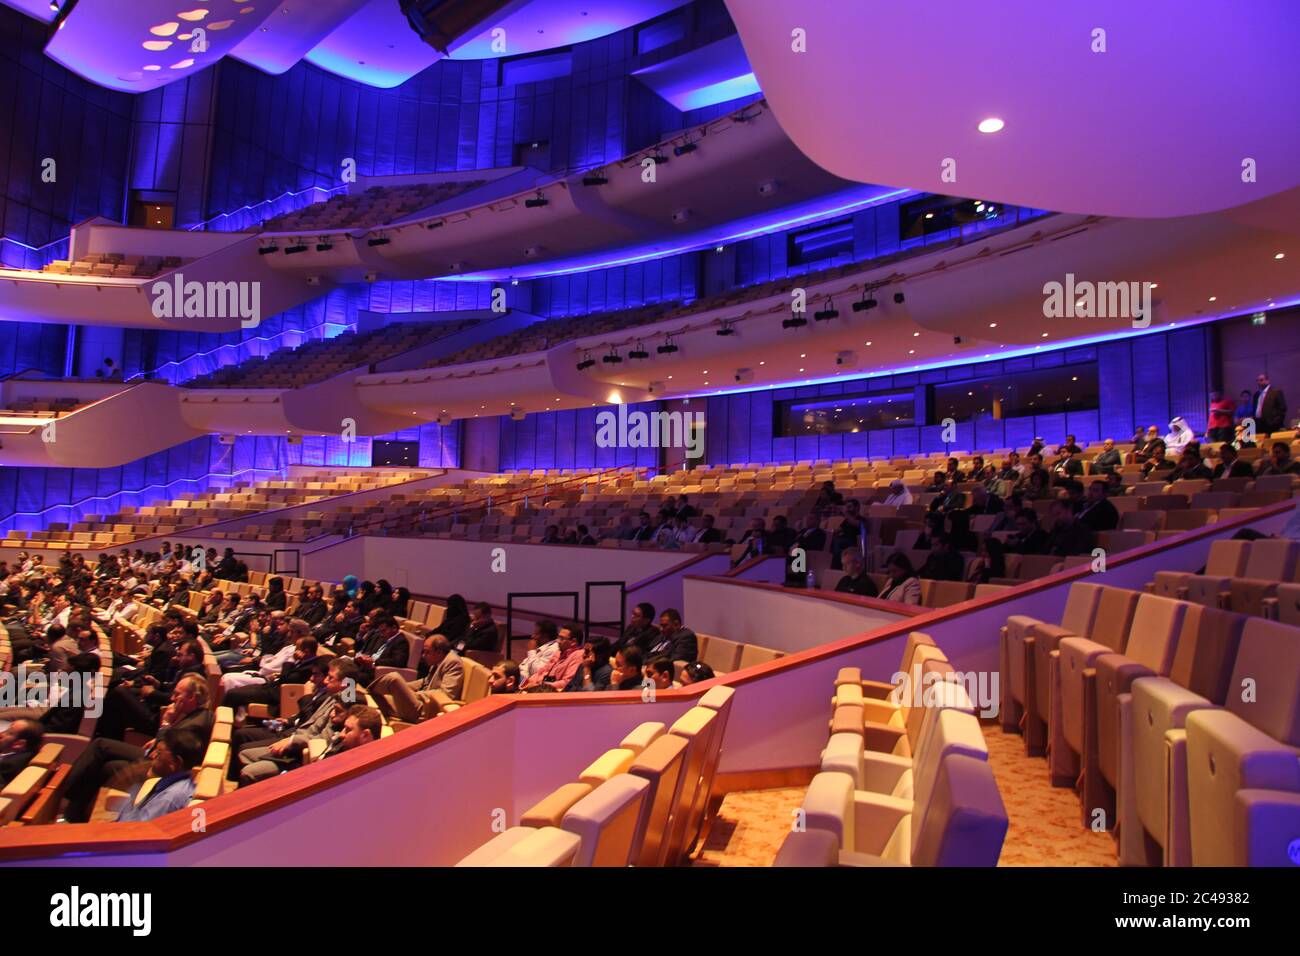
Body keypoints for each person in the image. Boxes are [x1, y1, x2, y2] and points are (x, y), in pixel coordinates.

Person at [115, 728, 205, 822]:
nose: (152, 756)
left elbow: (135, 832)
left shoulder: (169, 799)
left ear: (175, 762)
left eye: (158, 752)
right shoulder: (181, 783)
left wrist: (133, 785)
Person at [369, 637, 463, 721]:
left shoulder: (453, 663)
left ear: (439, 652)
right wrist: (405, 688)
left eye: (427, 652)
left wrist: (415, 694)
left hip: (425, 710)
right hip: (419, 702)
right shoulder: (438, 660)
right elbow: (425, 681)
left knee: (393, 678)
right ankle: (364, 698)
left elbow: (445, 694)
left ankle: (367, 692)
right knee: (380, 699)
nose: (423, 656)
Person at [521, 624, 585, 692]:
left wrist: (538, 685)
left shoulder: (578, 655)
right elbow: (542, 671)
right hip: (542, 687)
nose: (558, 641)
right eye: (558, 637)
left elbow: (566, 682)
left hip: (553, 693)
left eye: (561, 638)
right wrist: (529, 682)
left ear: (573, 642)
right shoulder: (559, 652)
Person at [0, 719, 44, 786]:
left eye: (9, 732)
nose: (1, 734)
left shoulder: (9, 765)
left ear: (19, 744)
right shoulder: (31, 751)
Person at [518, 619, 560, 684]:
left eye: (536, 634)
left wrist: (531, 651)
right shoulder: (543, 647)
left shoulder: (553, 649)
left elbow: (537, 671)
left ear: (545, 636)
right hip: (521, 676)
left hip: (527, 681)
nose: (533, 636)